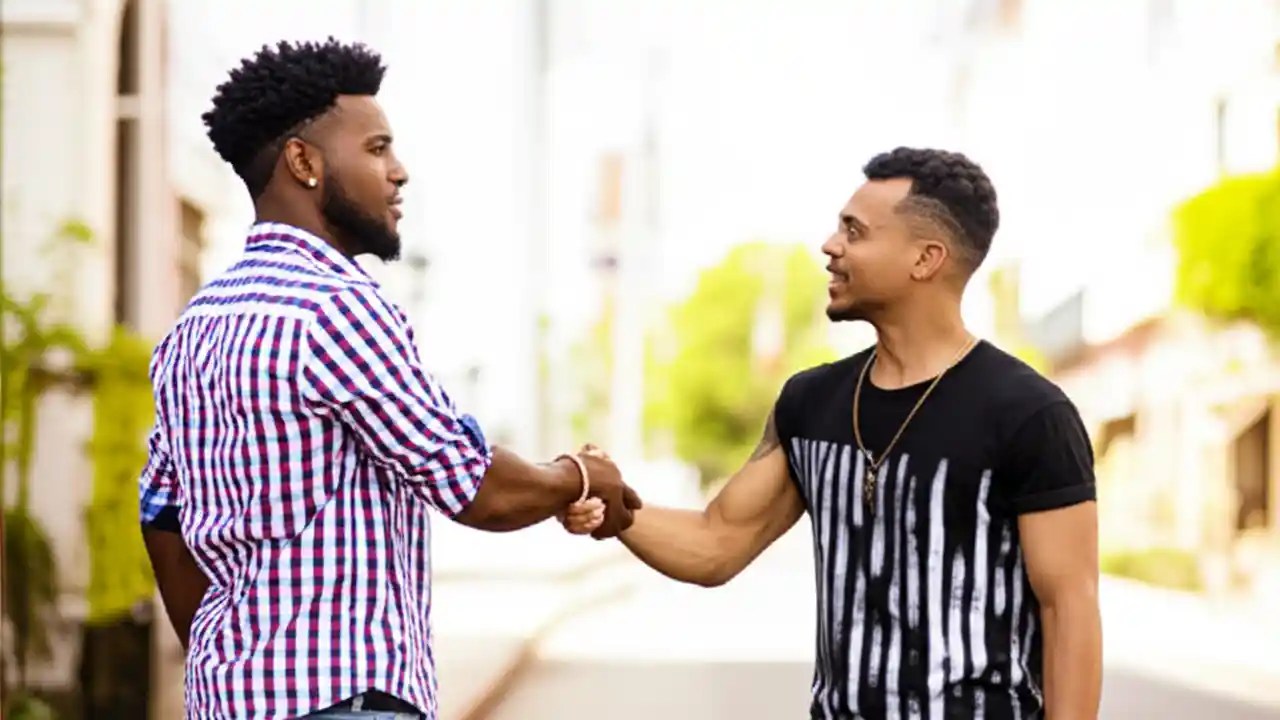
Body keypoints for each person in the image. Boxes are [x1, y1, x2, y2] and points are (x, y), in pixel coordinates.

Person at [138, 38, 638, 720]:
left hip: (229, 700)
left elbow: (161, 517)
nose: (399, 173)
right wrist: (578, 479)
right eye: (377, 149)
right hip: (347, 702)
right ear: (304, 161)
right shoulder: (338, 307)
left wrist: (233, 658)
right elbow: (475, 488)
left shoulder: (191, 330)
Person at [563, 147, 1103, 719]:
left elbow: (1069, 610)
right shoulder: (811, 403)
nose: (830, 245)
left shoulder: (1029, 414)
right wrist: (610, 502)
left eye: (855, 231)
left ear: (926, 259)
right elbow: (715, 543)